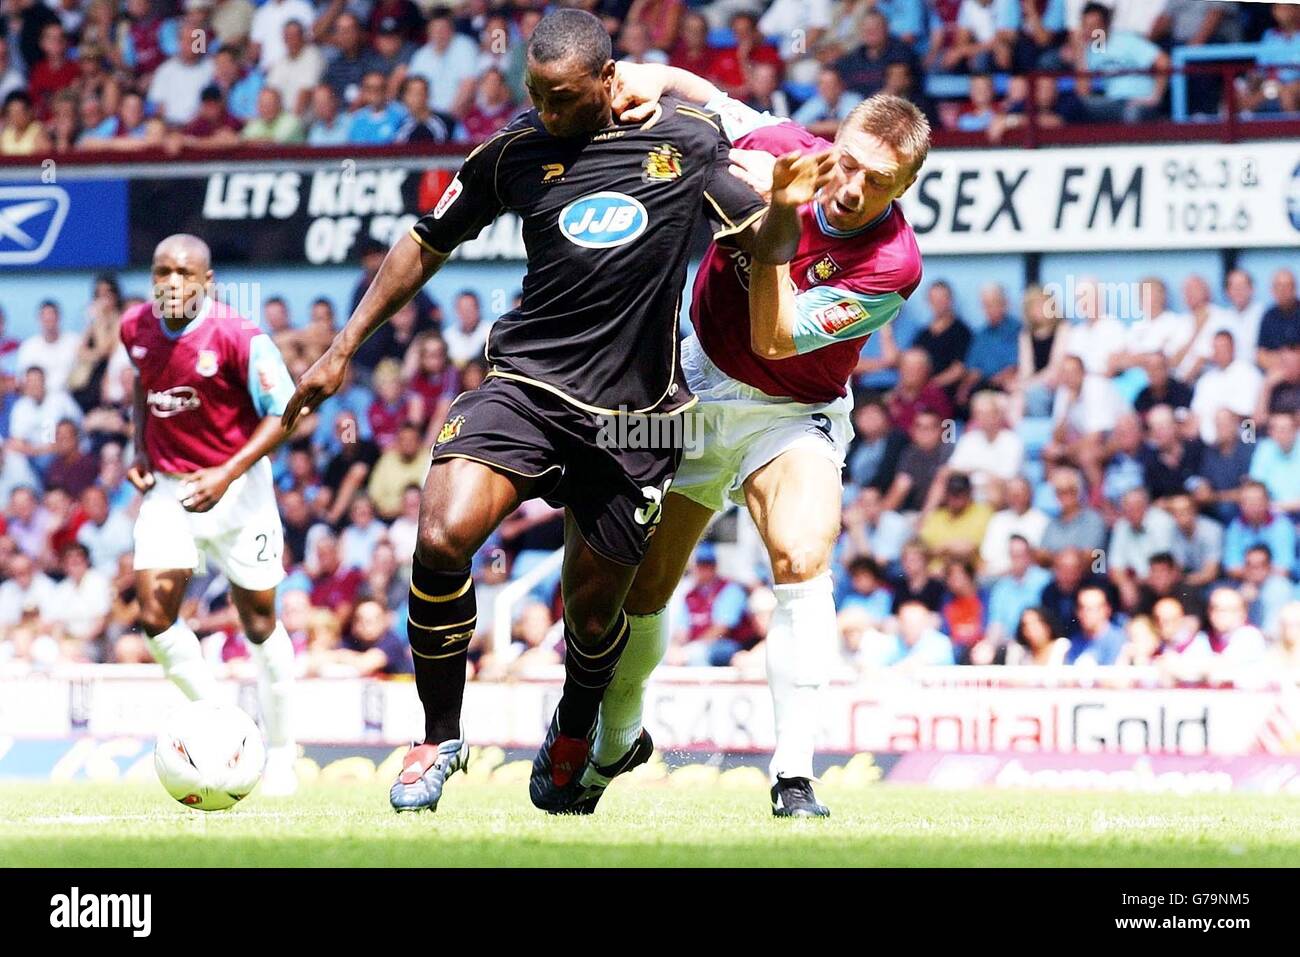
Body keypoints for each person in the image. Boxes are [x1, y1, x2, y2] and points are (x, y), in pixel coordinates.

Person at [282, 9, 796, 817]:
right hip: (525, 385)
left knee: (593, 619)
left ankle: (576, 726)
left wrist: (788, 211)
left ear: (606, 79)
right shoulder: (517, 151)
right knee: (442, 535)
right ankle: (439, 734)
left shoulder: (687, 141)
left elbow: (761, 243)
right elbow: (427, 238)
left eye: (562, 97)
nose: (548, 113)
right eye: (536, 95)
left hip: (638, 418)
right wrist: (344, 345)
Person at [587, 60, 927, 818]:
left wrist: (774, 213)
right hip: (697, 386)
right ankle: (619, 733)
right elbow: (705, 96)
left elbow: (776, 340)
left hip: (791, 411)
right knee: (645, 586)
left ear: (902, 190)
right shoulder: (780, 141)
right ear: (832, 139)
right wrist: (646, 72)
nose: (850, 186)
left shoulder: (893, 265)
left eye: (878, 182)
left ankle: (794, 773)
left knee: (803, 559)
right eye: (848, 161)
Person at [122, 233, 300, 795]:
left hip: (239, 490)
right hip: (172, 490)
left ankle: (282, 753)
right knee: (153, 613)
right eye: (161, 271)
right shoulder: (135, 328)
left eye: (183, 273)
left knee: (259, 623)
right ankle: (222, 723)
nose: (171, 282)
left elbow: (286, 412)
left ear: (207, 282)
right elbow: (142, 384)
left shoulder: (238, 337)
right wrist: (139, 449)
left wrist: (225, 474)